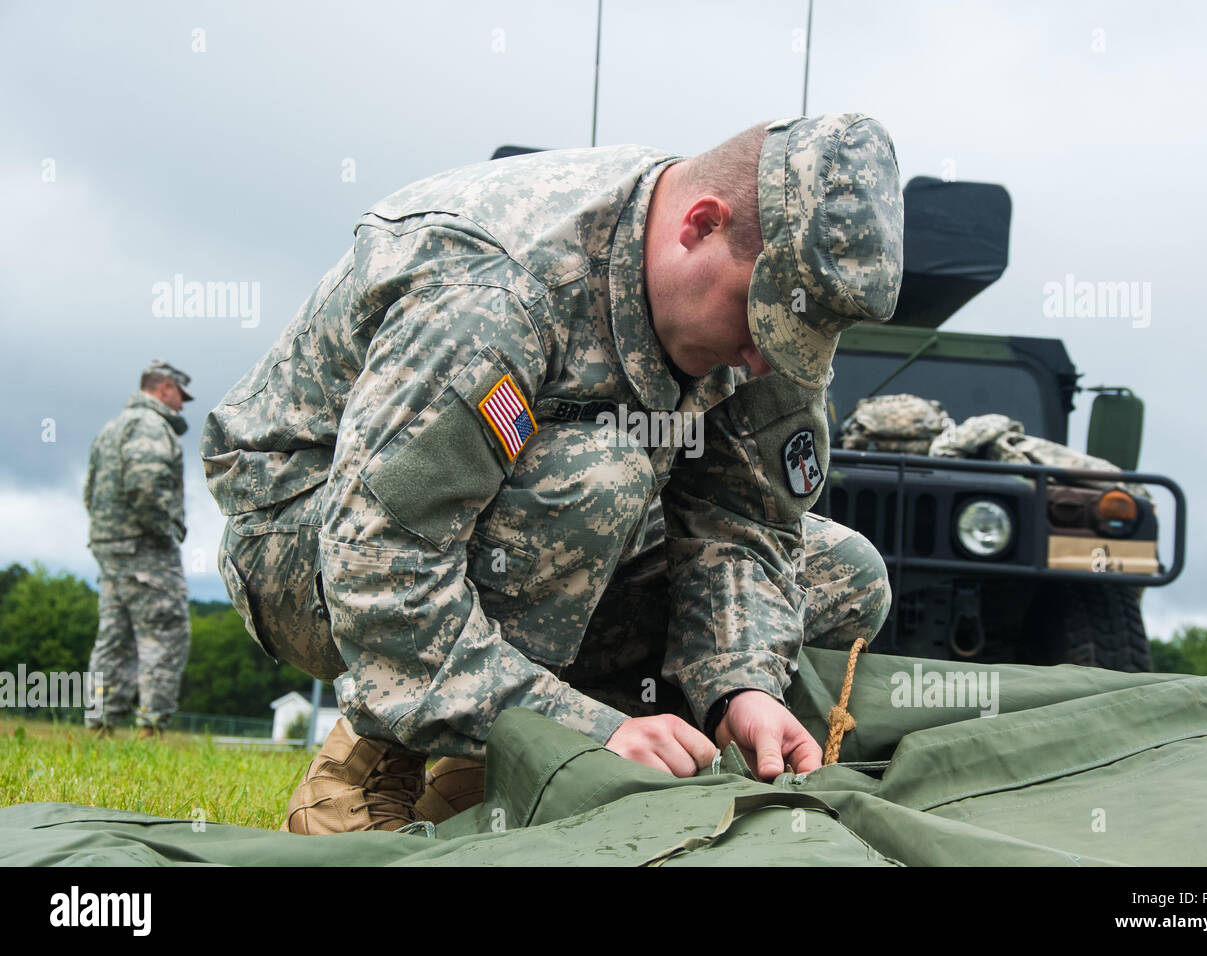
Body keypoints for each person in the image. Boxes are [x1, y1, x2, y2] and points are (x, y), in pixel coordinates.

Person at [202, 113, 903, 832]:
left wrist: (740, 687)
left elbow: (744, 520)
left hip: (513, 548)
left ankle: (499, 776)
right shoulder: (497, 286)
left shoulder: (765, 309)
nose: (762, 358)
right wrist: (588, 729)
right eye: (760, 324)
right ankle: (374, 760)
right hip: (313, 544)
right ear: (700, 226)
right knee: (597, 474)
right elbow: (382, 558)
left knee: (843, 572)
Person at [83, 360, 194, 736]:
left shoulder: (110, 428)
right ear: (164, 388)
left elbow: (90, 490)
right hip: (145, 548)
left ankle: (101, 724)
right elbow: (146, 485)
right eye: (179, 395)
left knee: (114, 637)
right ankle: (151, 728)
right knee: (165, 633)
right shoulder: (151, 426)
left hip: (109, 545)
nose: (181, 405)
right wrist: (164, 531)